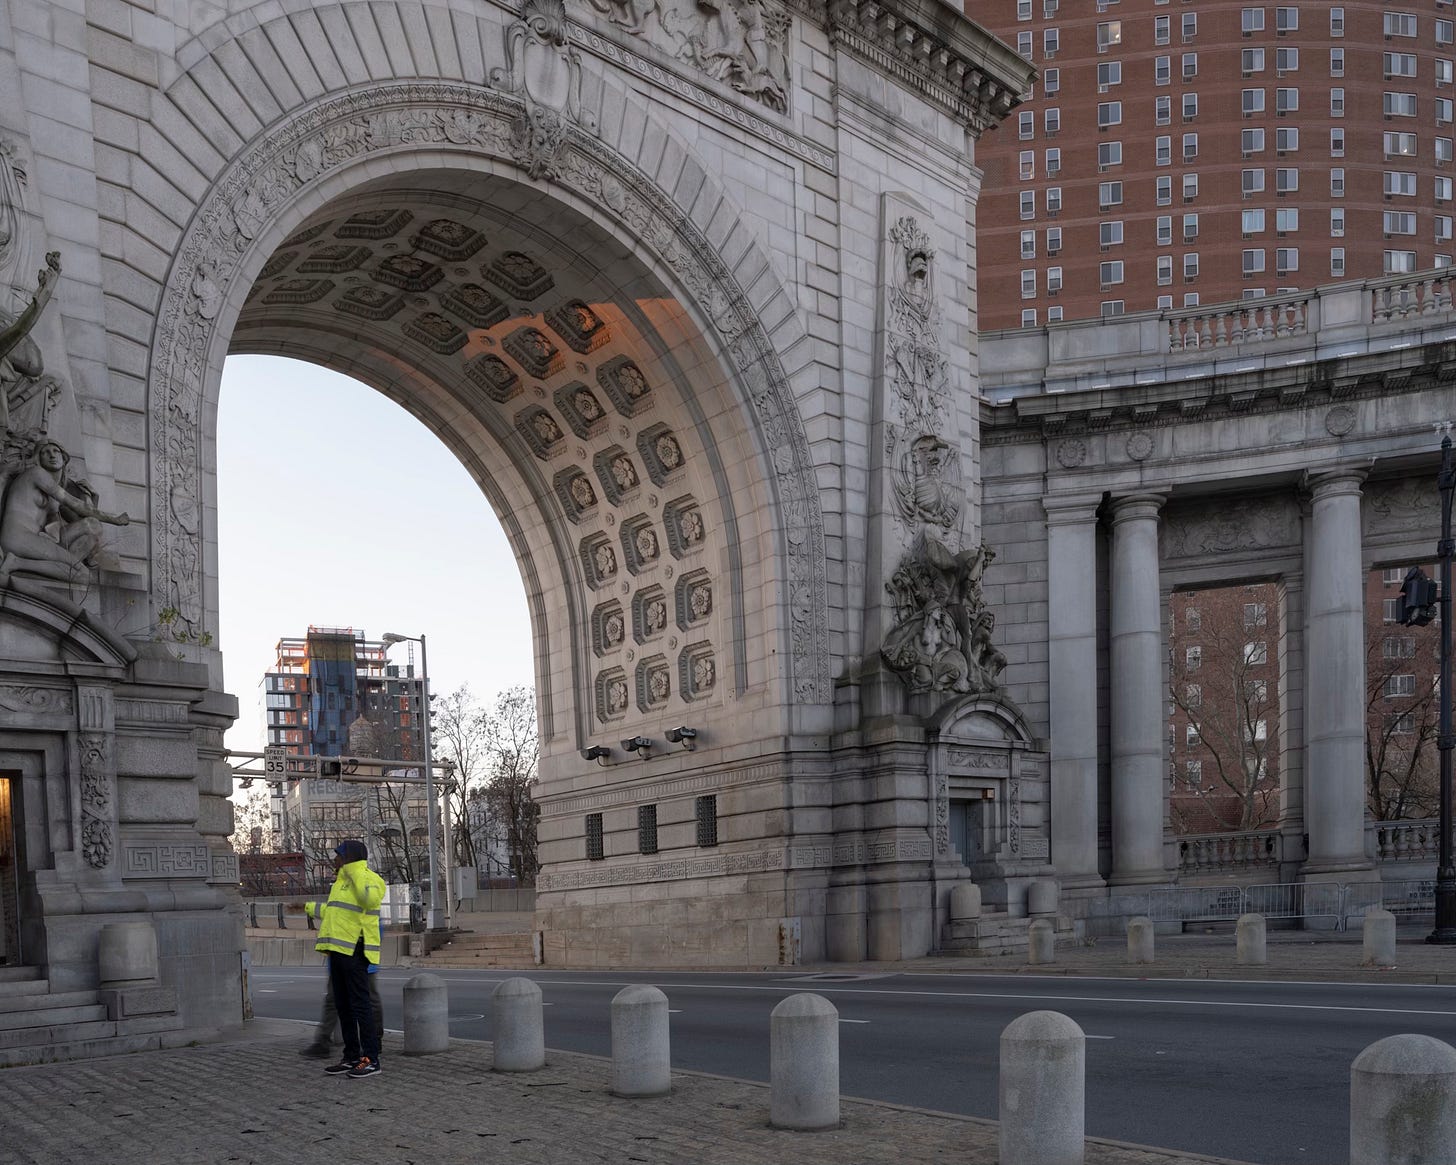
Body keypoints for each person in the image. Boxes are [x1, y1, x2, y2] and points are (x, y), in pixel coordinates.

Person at [307, 839, 386, 1078]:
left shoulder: (371, 879)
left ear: (350, 858)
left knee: (362, 1006)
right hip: (338, 951)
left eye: (339, 856)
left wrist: (353, 870)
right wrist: (308, 908)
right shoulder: (340, 882)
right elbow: (336, 911)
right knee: (344, 1006)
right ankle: (351, 1057)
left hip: (356, 950)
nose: (335, 860)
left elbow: (368, 901)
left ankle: (371, 1059)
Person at [297, 962, 383, 1061]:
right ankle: (323, 1042)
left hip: (361, 962)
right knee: (332, 1000)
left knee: (369, 1000)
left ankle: (374, 1041)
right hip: (338, 962)